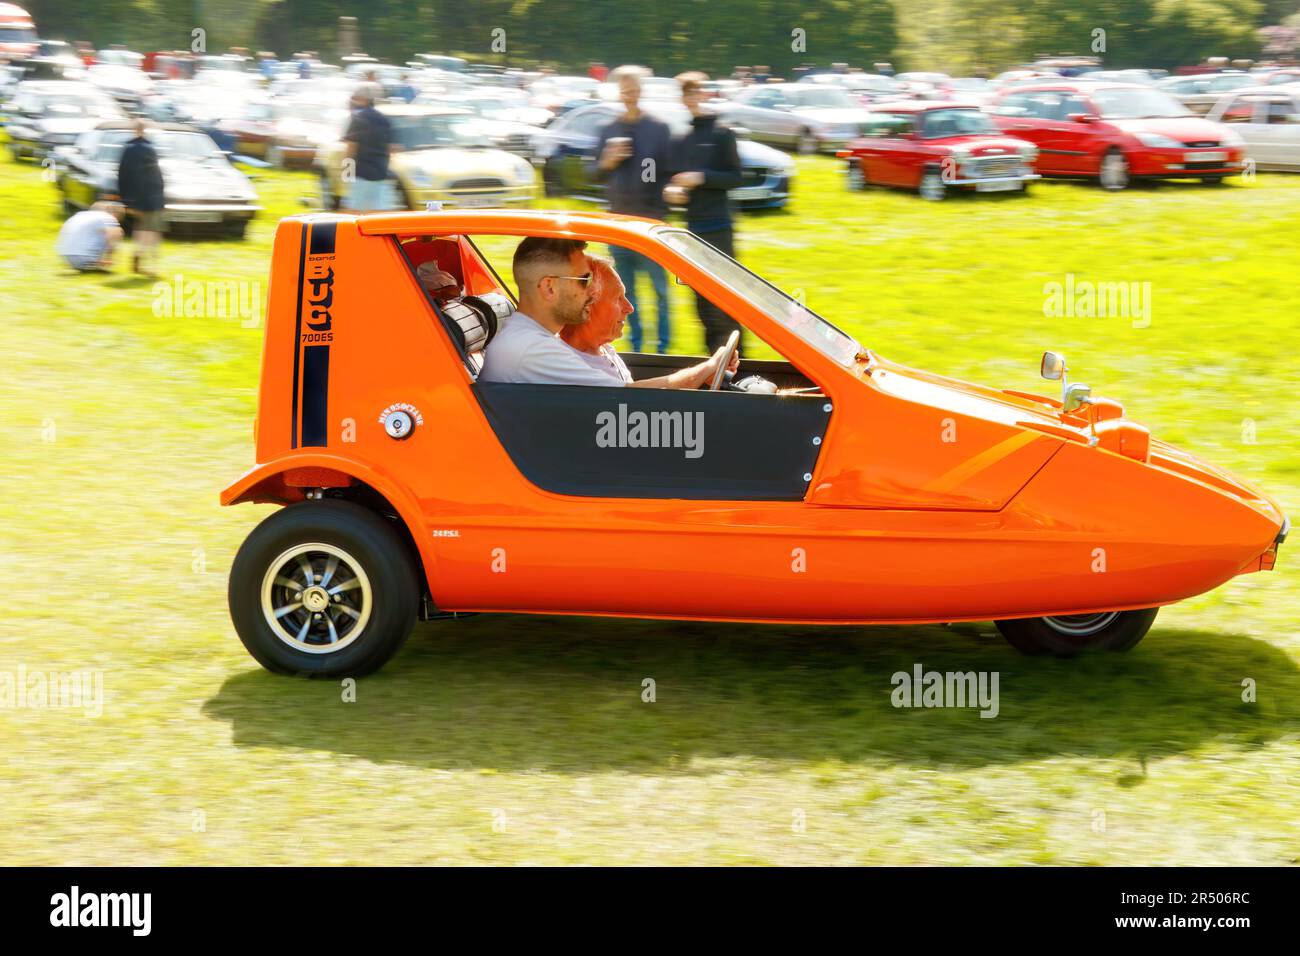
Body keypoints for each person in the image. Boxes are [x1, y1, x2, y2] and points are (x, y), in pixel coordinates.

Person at [560, 254, 738, 389]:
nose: (630, 308)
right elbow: (634, 399)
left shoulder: (601, 351)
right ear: (587, 307)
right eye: (617, 298)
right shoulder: (571, 365)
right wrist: (709, 366)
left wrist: (706, 374)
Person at [590, 69, 672, 353]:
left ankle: (663, 349)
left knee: (661, 291)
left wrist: (667, 201)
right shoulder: (608, 130)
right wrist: (608, 162)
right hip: (619, 227)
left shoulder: (658, 128)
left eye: (634, 88)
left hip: (650, 225)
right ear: (618, 93)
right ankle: (636, 348)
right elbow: (594, 174)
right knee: (627, 294)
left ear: (642, 90)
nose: (630, 94)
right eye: (625, 89)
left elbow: (669, 171)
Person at [666, 72, 744, 352]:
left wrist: (702, 177)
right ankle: (714, 362)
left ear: (704, 94)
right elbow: (672, 180)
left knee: (727, 298)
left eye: (696, 91)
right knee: (702, 302)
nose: (692, 97)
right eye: (686, 93)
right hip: (693, 230)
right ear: (682, 98)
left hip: (720, 228)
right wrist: (674, 192)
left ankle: (739, 359)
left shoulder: (723, 133)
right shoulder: (682, 138)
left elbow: (736, 177)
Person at [116, 119, 164, 276]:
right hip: (150, 198)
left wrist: (126, 200)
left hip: (133, 198)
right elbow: (154, 175)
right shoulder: (148, 149)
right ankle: (149, 264)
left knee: (140, 229)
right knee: (152, 232)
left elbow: (122, 175)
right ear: (145, 130)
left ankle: (140, 257)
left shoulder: (127, 149)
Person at [342, 83, 394, 211]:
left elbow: (351, 147)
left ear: (363, 99)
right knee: (378, 215)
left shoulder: (357, 118)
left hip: (361, 174)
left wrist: (347, 172)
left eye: (355, 98)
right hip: (380, 173)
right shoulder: (384, 120)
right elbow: (390, 148)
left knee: (354, 213)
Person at [56, 201, 124, 272]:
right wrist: (109, 257)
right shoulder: (108, 217)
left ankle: (90, 262)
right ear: (115, 214)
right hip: (84, 258)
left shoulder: (80, 215)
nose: (118, 221)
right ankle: (93, 262)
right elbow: (112, 235)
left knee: (100, 231)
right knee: (116, 231)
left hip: (66, 257)